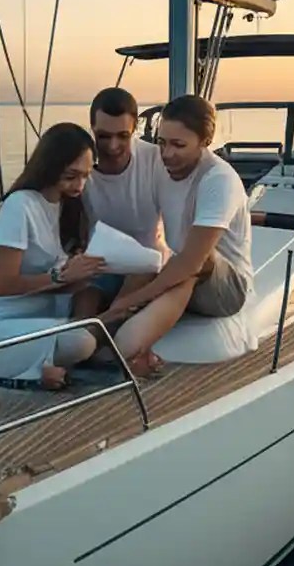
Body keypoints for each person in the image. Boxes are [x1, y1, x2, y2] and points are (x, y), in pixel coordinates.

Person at [103, 95, 254, 375]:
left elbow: (192, 262)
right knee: (149, 258)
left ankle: (128, 349)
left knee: (191, 264)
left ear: (205, 141)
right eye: (162, 142)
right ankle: (97, 336)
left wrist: (135, 299)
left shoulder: (218, 180)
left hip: (226, 290)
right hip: (186, 269)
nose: (167, 153)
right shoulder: (163, 166)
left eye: (178, 145)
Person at [0, 123, 106, 390]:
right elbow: (5, 286)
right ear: (51, 166)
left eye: (86, 175)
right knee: (82, 342)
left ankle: (40, 368)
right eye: (71, 176)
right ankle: (17, 372)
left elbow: (63, 284)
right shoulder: (20, 206)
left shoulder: (69, 207)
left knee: (96, 309)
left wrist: (86, 272)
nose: (80, 184)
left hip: (40, 319)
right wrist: (61, 275)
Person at [72, 87, 166, 319]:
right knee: (85, 295)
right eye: (103, 136)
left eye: (122, 136)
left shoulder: (156, 160)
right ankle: (78, 332)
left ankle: (99, 331)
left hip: (147, 260)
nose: (113, 146)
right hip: (100, 262)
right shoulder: (79, 165)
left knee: (132, 286)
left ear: (134, 129)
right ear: (92, 128)